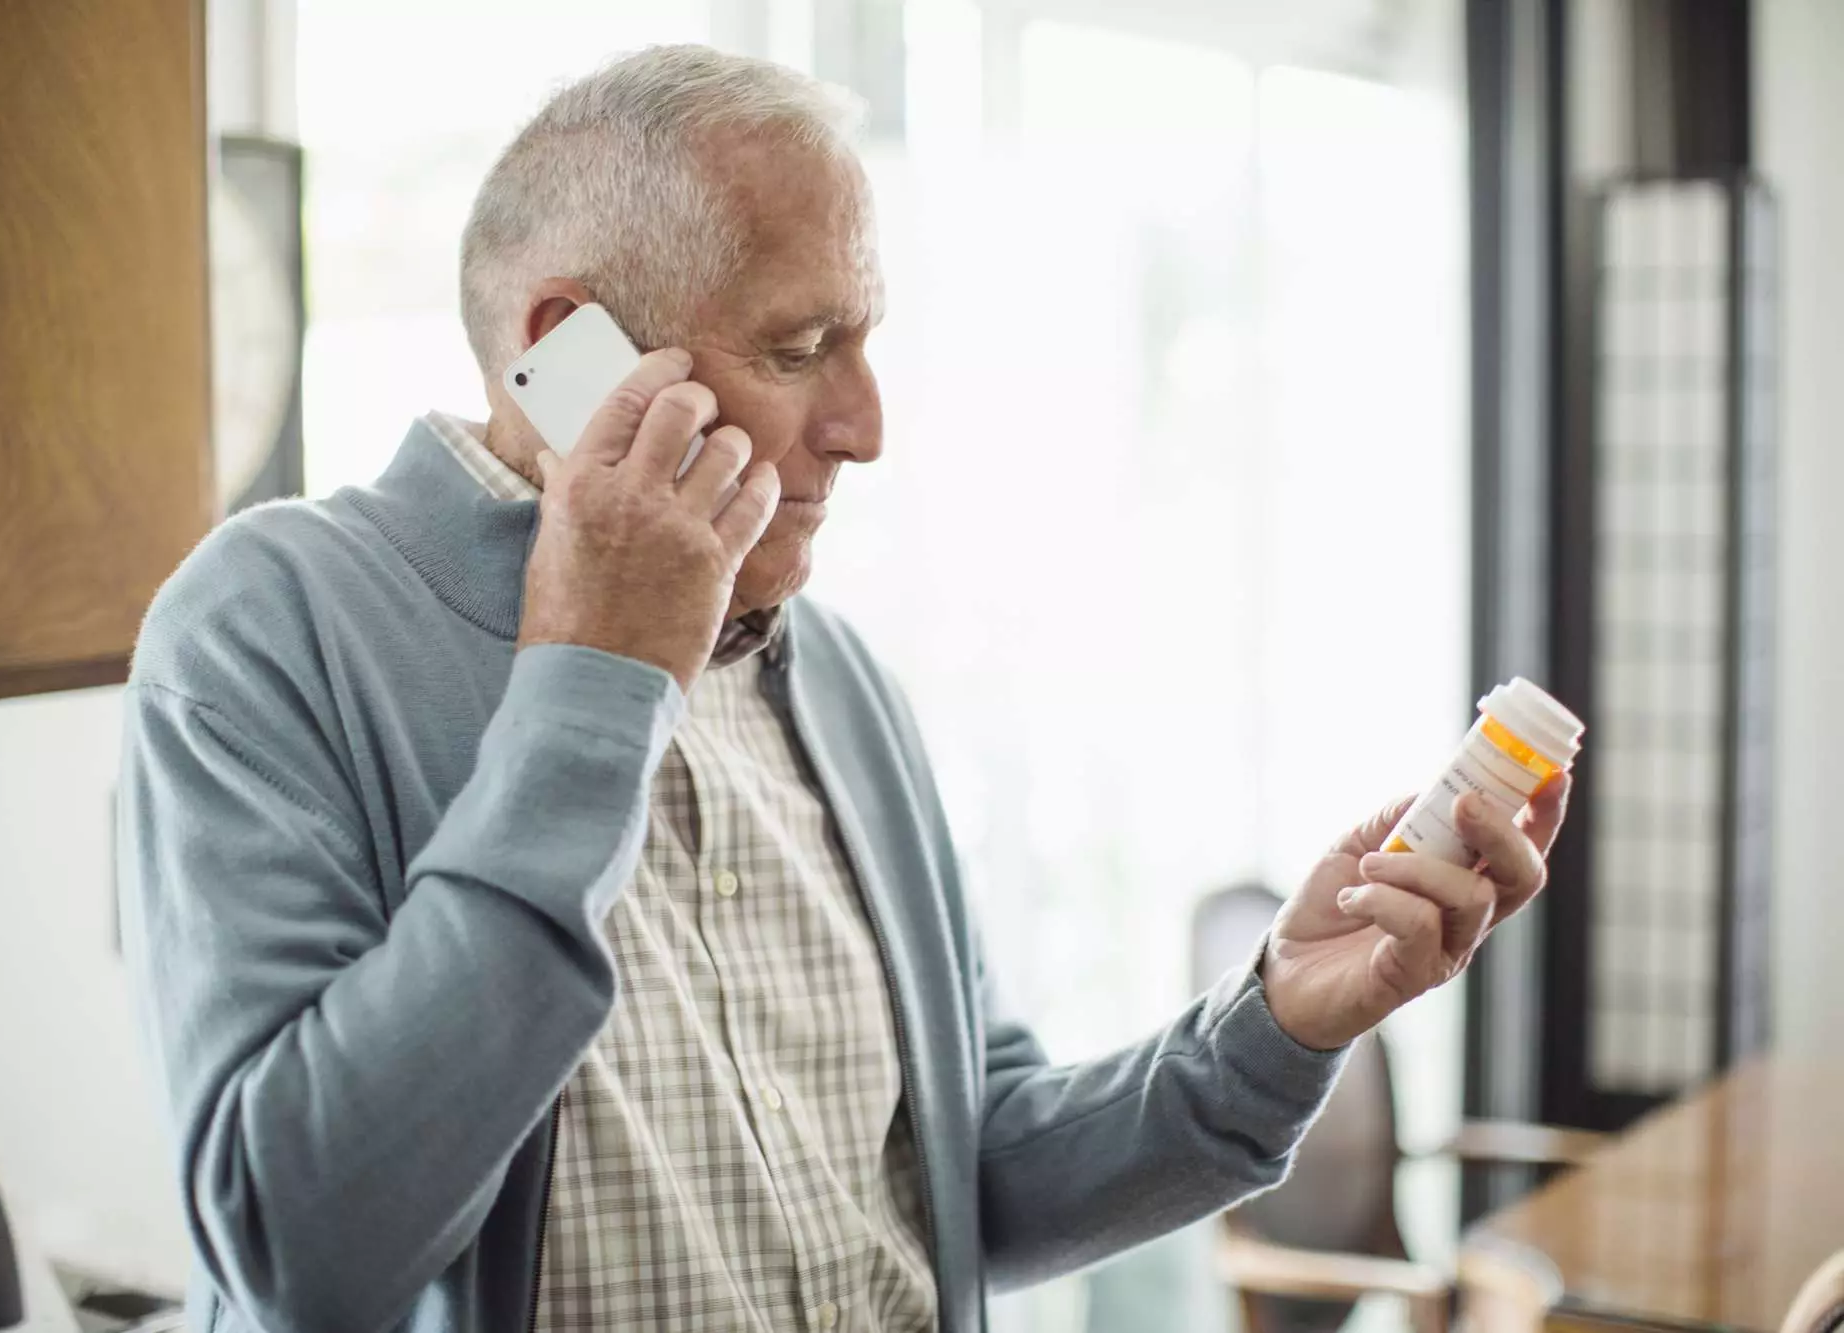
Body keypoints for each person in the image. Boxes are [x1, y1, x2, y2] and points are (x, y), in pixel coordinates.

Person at [120, 44, 1570, 1333]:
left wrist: (1274, 1029)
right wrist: (596, 678)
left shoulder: (835, 679)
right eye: (800, 349)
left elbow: (972, 1171)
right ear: (564, 351)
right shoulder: (269, 628)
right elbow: (295, 1253)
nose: (865, 426)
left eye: (864, 341)